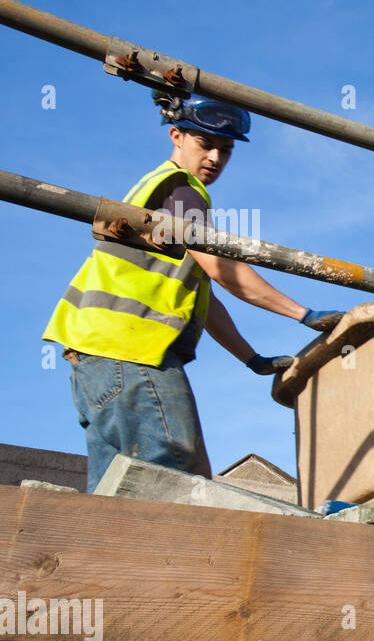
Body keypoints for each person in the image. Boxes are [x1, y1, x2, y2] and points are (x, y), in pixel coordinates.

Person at [43, 94, 343, 492]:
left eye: (226, 150)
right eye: (206, 145)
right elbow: (224, 269)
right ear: (176, 136)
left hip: (95, 361)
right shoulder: (182, 190)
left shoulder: (160, 196)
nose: (216, 158)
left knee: (117, 491)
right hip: (132, 356)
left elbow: (207, 298)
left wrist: (251, 358)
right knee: (172, 476)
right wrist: (303, 314)